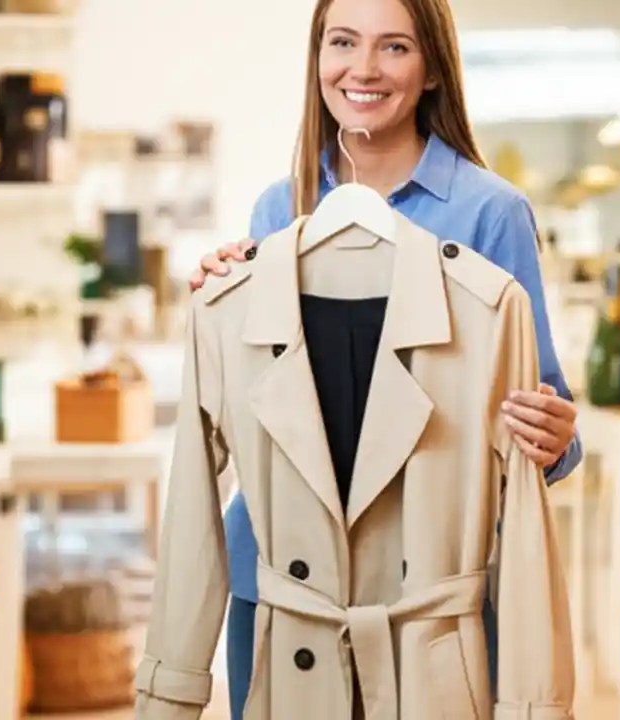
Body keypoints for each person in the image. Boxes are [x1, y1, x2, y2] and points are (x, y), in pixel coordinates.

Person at [185, 0, 583, 717]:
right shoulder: (279, 208)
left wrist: (552, 439)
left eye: (394, 47)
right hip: (281, 583)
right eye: (343, 42)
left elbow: (543, 420)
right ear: (317, 56)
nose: (363, 69)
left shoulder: (491, 213)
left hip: (428, 600)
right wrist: (221, 305)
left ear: (431, 68)